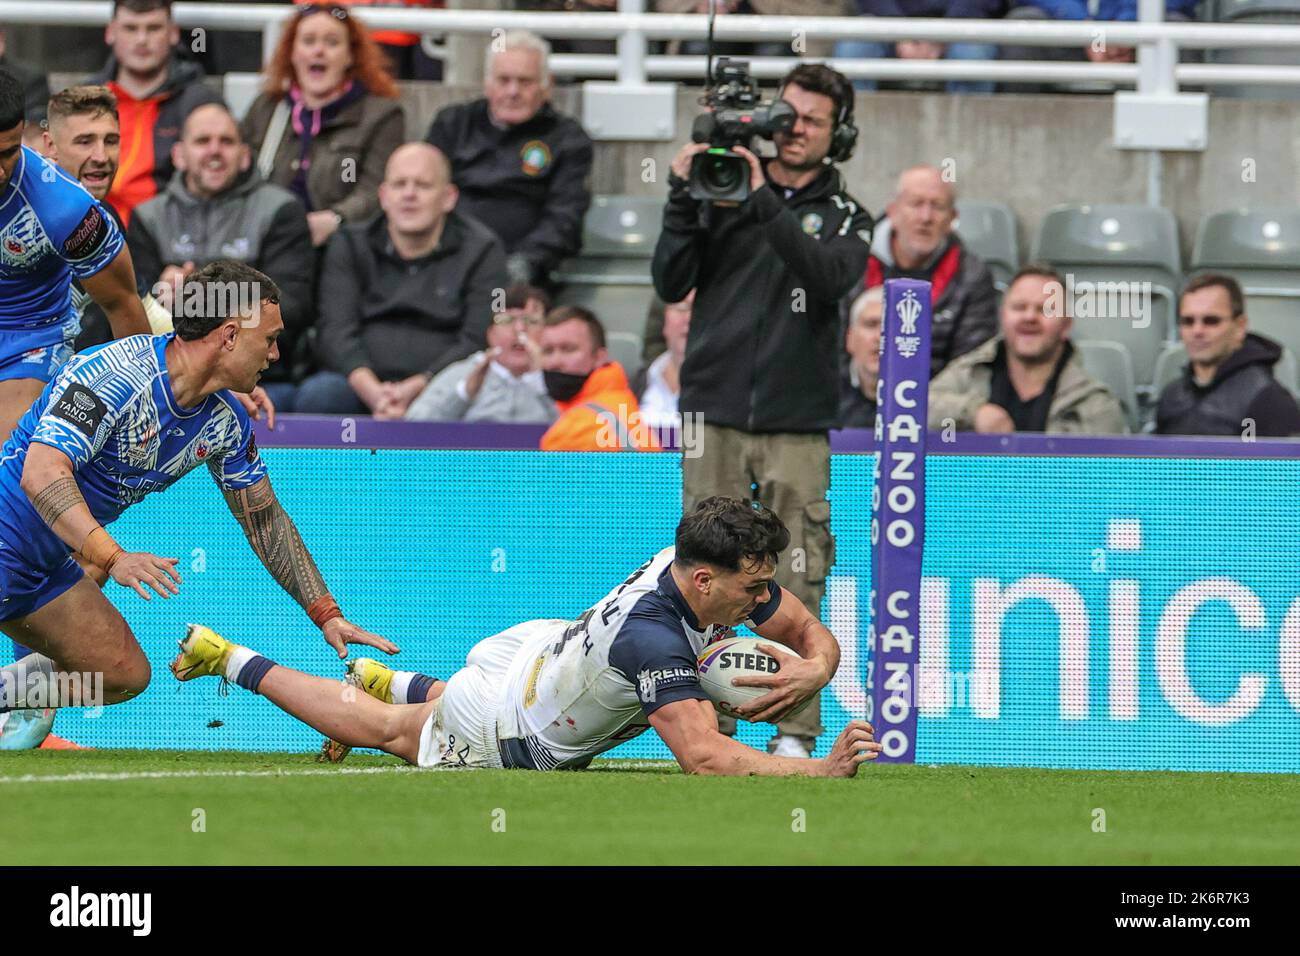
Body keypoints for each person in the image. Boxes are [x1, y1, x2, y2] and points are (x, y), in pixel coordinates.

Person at [174, 496, 883, 777]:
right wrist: (822, 770)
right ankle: (227, 655)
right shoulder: (656, 641)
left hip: (537, 650)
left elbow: (807, 631)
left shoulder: (695, 561)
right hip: (501, 724)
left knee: (426, 706)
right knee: (392, 731)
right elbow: (704, 758)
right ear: (704, 582)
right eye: (753, 588)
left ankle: (393, 678)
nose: (765, 602)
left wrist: (817, 672)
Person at [0, 261, 395, 738]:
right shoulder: (112, 374)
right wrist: (114, 557)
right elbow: (41, 474)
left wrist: (327, 615)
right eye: (268, 339)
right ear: (229, 336)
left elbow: (265, 522)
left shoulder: (224, 422)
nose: (274, 354)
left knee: (123, 673)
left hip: (41, 572)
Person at [652, 62, 873, 758]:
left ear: (839, 134)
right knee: (704, 574)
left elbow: (828, 277)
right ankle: (707, 731)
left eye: (812, 120)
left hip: (796, 419)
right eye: (790, 115)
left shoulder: (846, 215)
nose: (797, 130)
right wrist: (684, 199)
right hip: (712, 410)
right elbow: (670, 279)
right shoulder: (724, 190)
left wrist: (760, 201)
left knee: (796, 572)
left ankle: (795, 734)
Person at [127, 103, 314, 412]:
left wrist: (190, 296)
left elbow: (292, 307)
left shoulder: (281, 210)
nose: (215, 151)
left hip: (264, 377)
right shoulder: (148, 217)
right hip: (171, 376)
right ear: (178, 155)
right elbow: (132, 311)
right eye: (202, 141)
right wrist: (159, 298)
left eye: (226, 142)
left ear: (244, 156)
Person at [297, 142, 507, 417]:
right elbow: (335, 330)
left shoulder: (482, 249)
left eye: (422, 185)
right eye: (399, 184)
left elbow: (478, 336)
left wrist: (420, 387)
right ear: (383, 196)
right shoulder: (349, 244)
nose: (409, 194)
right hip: (361, 385)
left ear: (449, 197)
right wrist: (374, 393)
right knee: (319, 396)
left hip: (444, 384)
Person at [0, 71, 152, 443]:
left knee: (6, 462)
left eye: (7, 153)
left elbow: (124, 304)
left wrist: (149, 406)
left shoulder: (67, 209)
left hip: (29, 338)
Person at [425, 30, 593, 286]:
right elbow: (424, 193)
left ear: (547, 86)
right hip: (444, 263)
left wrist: (524, 263)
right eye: (503, 80)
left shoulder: (567, 138)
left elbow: (565, 218)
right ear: (487, 83)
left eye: (525, 82)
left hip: (523, 273)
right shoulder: (453, 123)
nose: (513, 91)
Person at [241, 4, 405, 253]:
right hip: (267, 241)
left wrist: (334, 219)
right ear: (292, 53)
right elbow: (240, 173)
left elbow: (376, 191)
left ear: (351, 55)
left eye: (332, 42)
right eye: (308, 41)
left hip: (341, 244)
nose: (318, 51)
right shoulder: (267, 107)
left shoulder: (381, 115)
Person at [927, 265, 1129, 434]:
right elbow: (915, 408)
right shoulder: (966, 374)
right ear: (1002, 316)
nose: (1029, 317)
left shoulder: (1096, 404)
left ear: (1066, 325)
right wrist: (972, 413)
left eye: (1045, 309)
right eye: (1019, 307)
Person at [87, 0, 225, 227]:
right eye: (131, 28)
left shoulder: (201, 104)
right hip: (89, 236)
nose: (142, 40)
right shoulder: (86, 98)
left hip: (171, 240)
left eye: (153, 28)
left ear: (173, 34)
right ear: (110, 33)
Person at [859, 165, 998, 377]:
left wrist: (912, 401)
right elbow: (835, 348)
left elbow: (969, 366)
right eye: (916, 204)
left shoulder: (973, 276)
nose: (926, 217)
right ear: (893, 212)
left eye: (938, 206)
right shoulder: (855, 264)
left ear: (952, 218)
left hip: (934, 402)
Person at [1155, 273, 1300, 437]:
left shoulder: (1269, 400)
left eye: (1211, 320)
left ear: (1240, 326)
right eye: (1188, 321)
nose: (1197, 331)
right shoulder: (1171, 394)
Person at [404, 283, 555, 424]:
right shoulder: (462, 374)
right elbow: (413, 426)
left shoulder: (561, 375)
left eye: (532, 321)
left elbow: (571, 434)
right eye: (507, 320)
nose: (520, 329)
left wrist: (539, 384)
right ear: (490, 333)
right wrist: (463, 395)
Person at [539, 305, 658, 451]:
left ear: (599, 357)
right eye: (547, 351)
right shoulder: (618, 405)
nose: (555, 362)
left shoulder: (577, 430)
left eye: (568, 349)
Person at [833, 0, 1006, 95]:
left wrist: (946, 33)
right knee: (854, 49)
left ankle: (968, 141)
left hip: (962, 25)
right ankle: (851, 139)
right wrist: (899, 32)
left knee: (972, 56)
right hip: (888, 23)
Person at [635, 290, 691, 431]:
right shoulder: (630, 387)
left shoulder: (733, 392)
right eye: (682, 308)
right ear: (662, 320)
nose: (690, 318)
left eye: (700, 308)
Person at [840, 286, 881, 428]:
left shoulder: (928, 395)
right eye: (871, 325)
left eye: (891, 328)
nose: (880, 337)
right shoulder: (825, 396)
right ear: (850, 338)